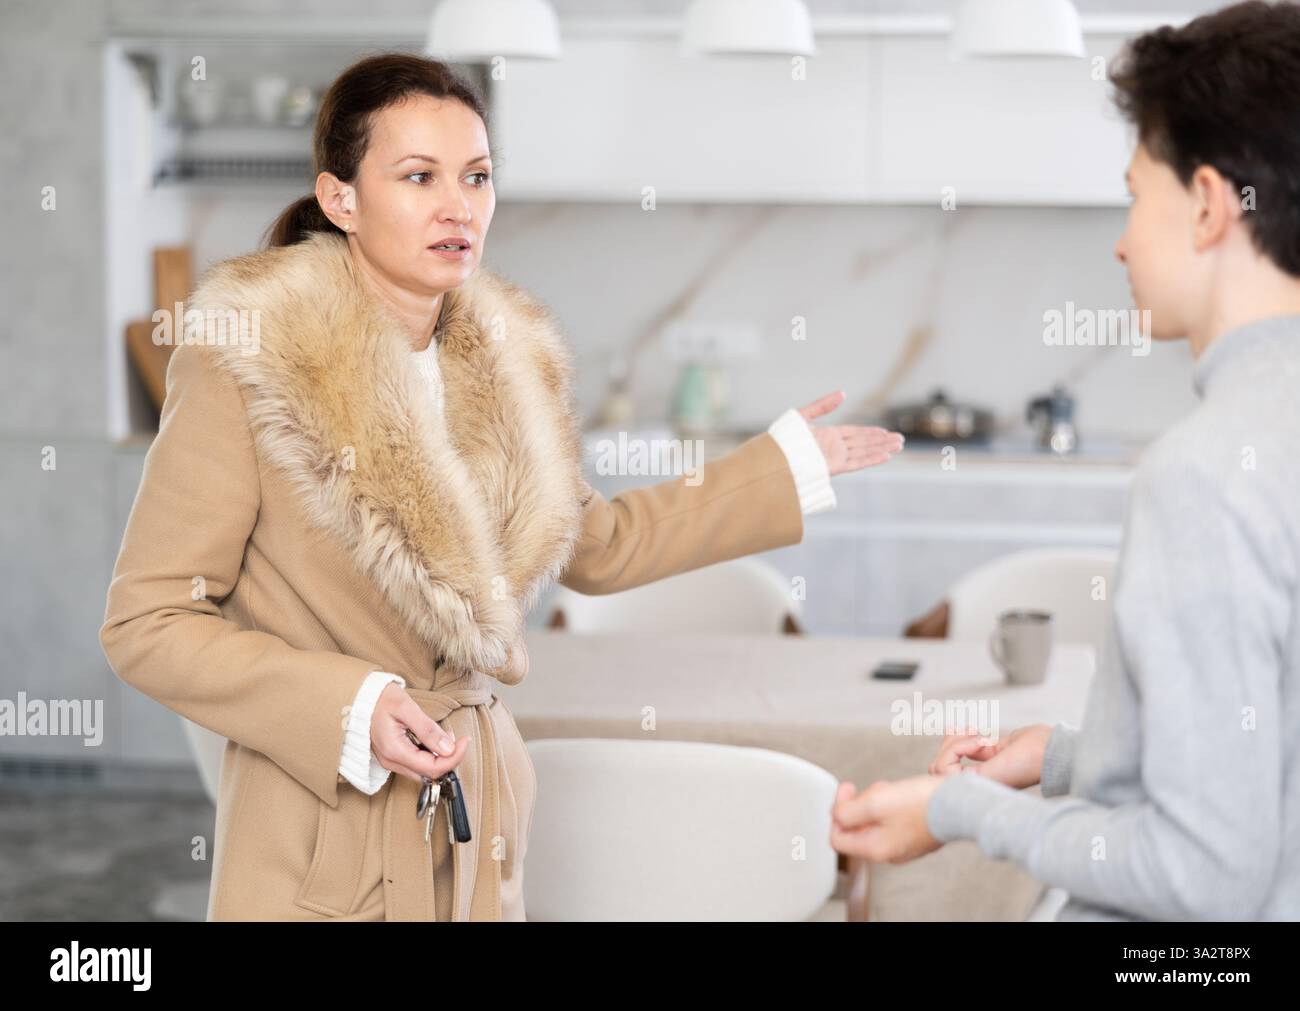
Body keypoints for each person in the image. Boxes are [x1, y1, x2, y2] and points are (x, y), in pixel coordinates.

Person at [99, 52, 904, 921]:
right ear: (341, 199)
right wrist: (353, 706)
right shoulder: (246, 365)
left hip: (476, 832)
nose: (459, 206)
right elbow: (149, 620)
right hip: (317, 858)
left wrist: (780, 466)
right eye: (419, 176)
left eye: (477, 176)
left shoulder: (507, 374)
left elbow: (602, 545)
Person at [830, 0, 1300, 921]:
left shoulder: (1204, 473)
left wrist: (959, 809)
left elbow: (1202, 873)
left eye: (1136, 193)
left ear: (1209, 205)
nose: (1123, 239)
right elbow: (1264, 770)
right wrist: (1064, 756)